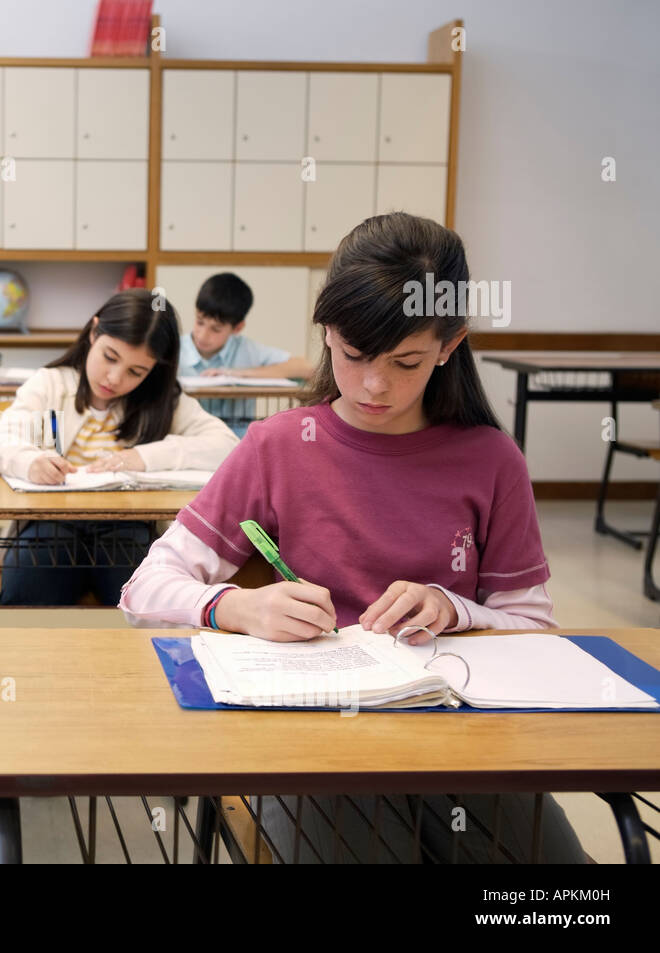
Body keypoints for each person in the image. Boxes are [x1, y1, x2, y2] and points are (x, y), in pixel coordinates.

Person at [121, 212, 585, 863]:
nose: (374, 385)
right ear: (327, 332)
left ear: (450, 344)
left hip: (462, 736)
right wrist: (238, 606)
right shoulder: (278, 447)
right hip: (315, 737)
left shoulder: (491, 460)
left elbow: (535, 629)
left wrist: (453, 608)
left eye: (406, 362)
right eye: (354, 354)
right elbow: (143, 589)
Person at [0, 289, 237, 606]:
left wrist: (142, 456)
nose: (115, 378)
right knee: (27, 586)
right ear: (94, 332)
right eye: (110, 357)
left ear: (154, 370)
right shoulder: (50, 383)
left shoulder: (162, 401)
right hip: (51, 523)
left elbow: (226, 445)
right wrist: (31, 461)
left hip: (127, 526)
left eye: (136, 372)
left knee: (145, 595)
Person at [180, 272, 313, 436]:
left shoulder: (246, 349)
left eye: (216, 329)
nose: (202, 335)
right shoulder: (175, 349)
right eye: (199, 322)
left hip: (239, 443)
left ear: (237, 328)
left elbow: (306, 368)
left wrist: (237, 374)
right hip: (189, 440)